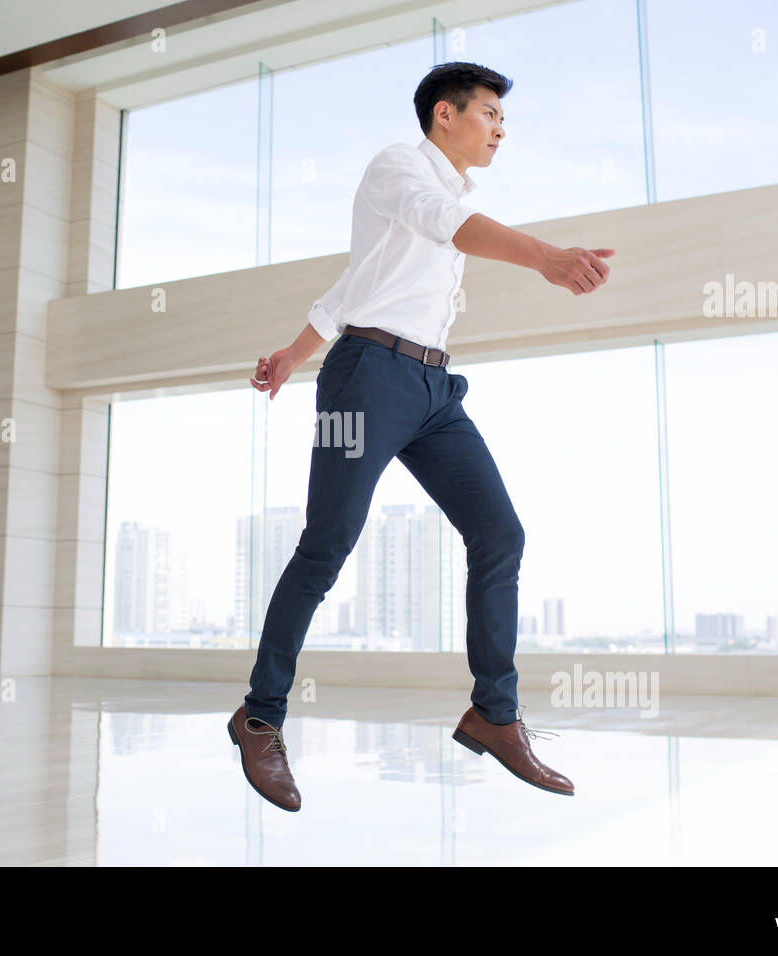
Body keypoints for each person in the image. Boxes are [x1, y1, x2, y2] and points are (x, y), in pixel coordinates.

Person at [227, 62, 615, 812]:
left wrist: (288, 352)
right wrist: (547, 259)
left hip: (434, 391)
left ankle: (494, 715)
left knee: (500, 533)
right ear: (445, 114)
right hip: (364, 380)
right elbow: (440, 231)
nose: (502, 127)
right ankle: (260, 715)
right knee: (327, 543)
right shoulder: (400, 169)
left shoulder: (447, 195)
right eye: (491, 113)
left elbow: (354, 284)